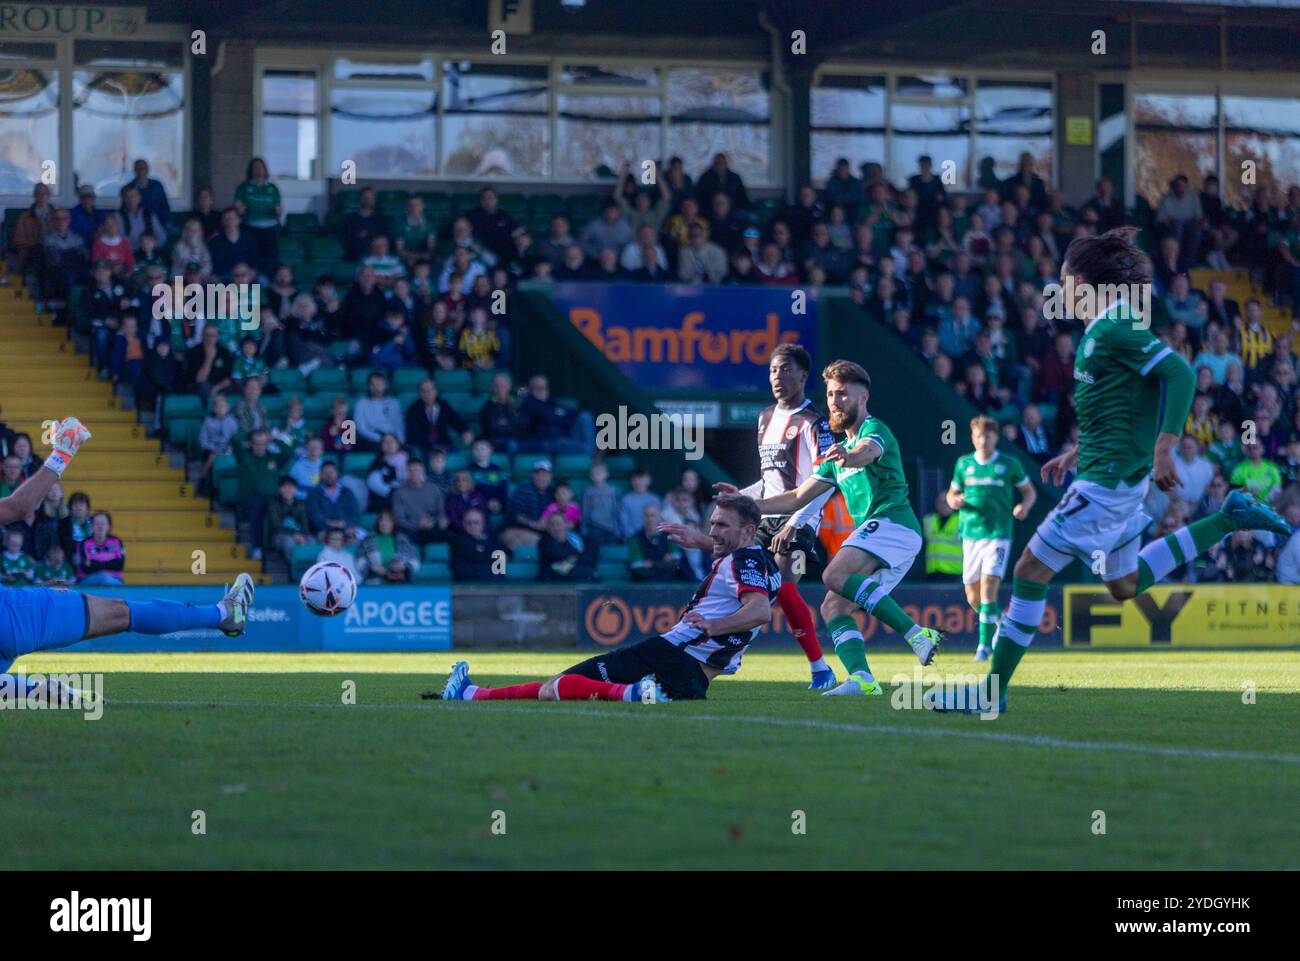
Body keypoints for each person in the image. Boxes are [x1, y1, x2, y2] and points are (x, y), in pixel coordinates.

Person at [936, 228, 1292, 716]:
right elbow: (1123, 410)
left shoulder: (1114, 328)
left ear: (1079, 282)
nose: (1057, 291)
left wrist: (1167, 445)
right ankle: (1227, 518)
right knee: (1123, 584)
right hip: (1112, 475)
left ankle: (990, 693)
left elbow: (1181, 374)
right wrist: (1077, 452)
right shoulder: (1100, 331)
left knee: (1028, 572)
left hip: (1107, 487)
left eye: (1061, 281)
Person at [0, 417, 254, 704]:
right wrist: (62, 452)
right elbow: (19, 506)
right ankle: (223, 615)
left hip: (12, 612)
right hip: (11, 616)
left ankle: (34, 690)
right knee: (127, 614)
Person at [729, 360, 944, 696]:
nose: (834, 401)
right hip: (882, 535)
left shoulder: (874, 432)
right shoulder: (834, 454)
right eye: (830, 393)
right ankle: (863, 679)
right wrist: (745, 504)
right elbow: (797, 496)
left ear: (864, 396)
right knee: (833, 606)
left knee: (833, 574)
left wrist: (849, 455)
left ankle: (918, 634)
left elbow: (866, 453)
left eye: (843, 393)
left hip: (894, 523)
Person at [441, 494, 776, 703]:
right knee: (557, 688)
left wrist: (713, 625)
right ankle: (472, 694)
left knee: (559, 686)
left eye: (723, 526)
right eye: (713, 523)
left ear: (747, 531)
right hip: (696, 679)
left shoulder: (740, 562)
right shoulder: (763, 562)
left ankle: (632, 694)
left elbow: (759, 611)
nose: (714, 531)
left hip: (671, 652)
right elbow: (745, 567)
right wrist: (702, 540)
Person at [726, 343, 838, 689]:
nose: (778, 376)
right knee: (750, 586)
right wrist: (739, 497)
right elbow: (768, 481)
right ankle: (816, 670)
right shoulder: (765, 418)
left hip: (802, 519)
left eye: (786, 369)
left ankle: (819, 668)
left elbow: (825, 482)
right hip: (766, 518)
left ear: (803, 376)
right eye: (774, 370)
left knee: (785, 588)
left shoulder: (814, 422)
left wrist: (794, 523)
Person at [947, 416, 1037, 662]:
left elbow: (1029, 492)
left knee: (988, 589)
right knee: (973, 597)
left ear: (996, 438)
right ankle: (1003, 622)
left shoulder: (1009, 464)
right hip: (970, 534)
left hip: (998, 534)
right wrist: (953, 500)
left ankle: (984, 648)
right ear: (972, 438)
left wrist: (1024, 507)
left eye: (987, 436)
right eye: (978, 436)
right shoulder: (964, 464)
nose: (983, 440)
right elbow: (952, 493)